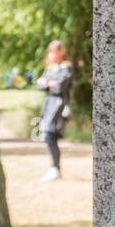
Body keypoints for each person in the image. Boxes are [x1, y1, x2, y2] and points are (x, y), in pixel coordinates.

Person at [36, 40, 73, 182]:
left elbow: (60, 87)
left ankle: (55, 168)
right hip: (48, 104)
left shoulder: (66, 68)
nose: (51, 55)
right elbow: (40, 84)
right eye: (50, 52)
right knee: (48, 135)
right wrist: (48, 83)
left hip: (59, 105)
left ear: (60, 52)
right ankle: (54, 168)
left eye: (54, 52)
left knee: (50, 135)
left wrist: (48, 83)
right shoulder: (50, 68)